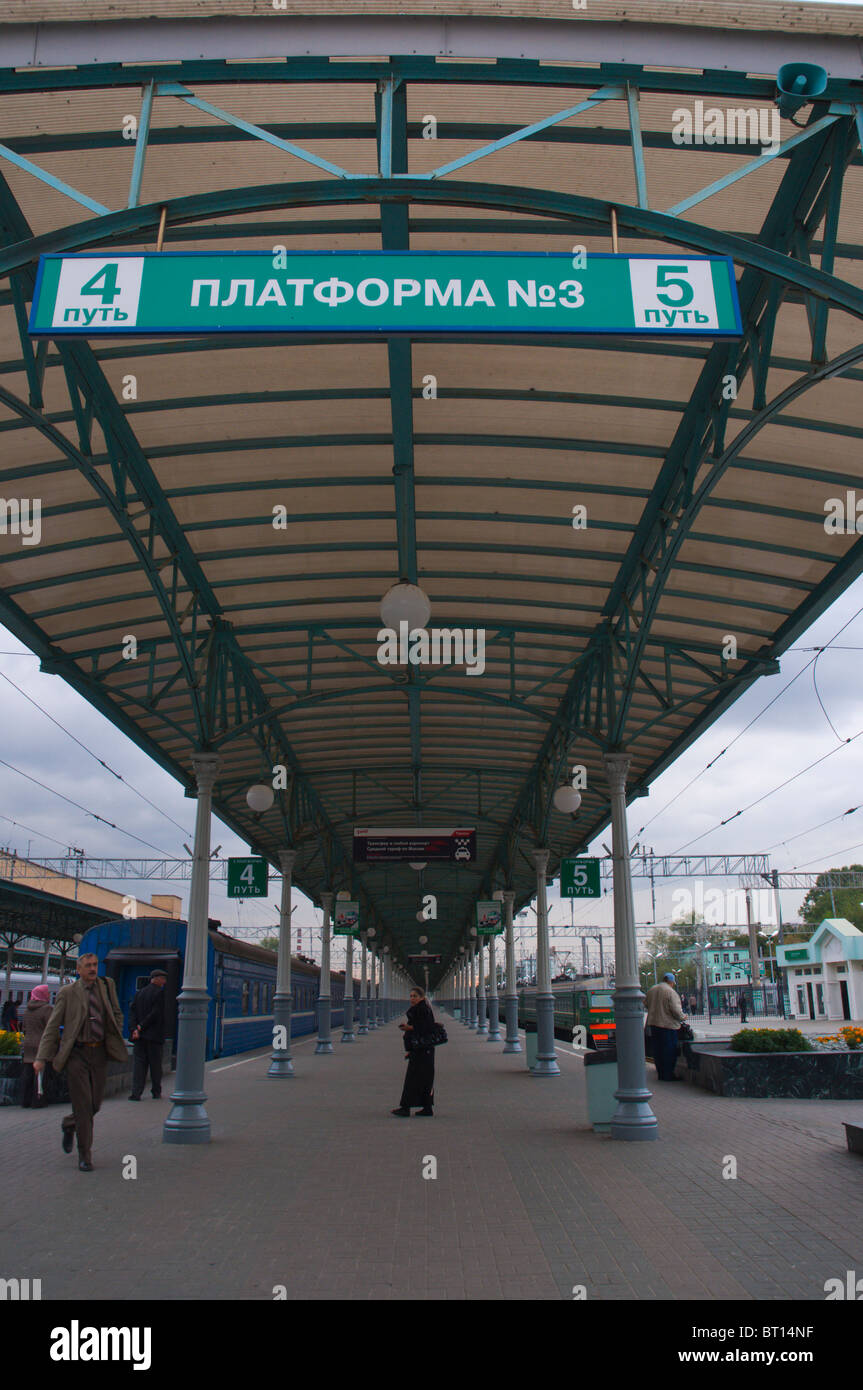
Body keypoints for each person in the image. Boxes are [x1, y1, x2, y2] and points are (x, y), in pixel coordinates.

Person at [34, 952, 127, 1171]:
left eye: (95, 965)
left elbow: (116, 1012)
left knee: (95, 1104)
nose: (93, 969)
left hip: (100, 1053)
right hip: (77, 1054)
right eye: (88, 966)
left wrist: (117, 1029)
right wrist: (41, 1057)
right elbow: (52, 1026)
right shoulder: (68, 993)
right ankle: (85, 1155)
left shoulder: (107, 985)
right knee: (84, 1106)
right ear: (79, 969)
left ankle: (69, 1124)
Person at [392, 986, 436, 1117]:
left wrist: (408, 1027)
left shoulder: (422, 1009)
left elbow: (425, 1028)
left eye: (415, 996)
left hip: (422, 1049)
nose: (412, 998)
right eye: (410, 996)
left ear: (422, 997)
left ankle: (405, 1108)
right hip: (422, 1049)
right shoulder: (422, 1009)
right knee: (424, 1079)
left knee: (412, 1079)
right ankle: (427, 1108)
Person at [128, 969, 168, 1100]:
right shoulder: (159, 993)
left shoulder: (140, 993)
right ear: (155, 978)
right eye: (163, 978)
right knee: (155, 1065)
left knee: (139, 1065)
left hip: (139, 1037)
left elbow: (132, 1012)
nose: (164, 982)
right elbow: (156, 1013)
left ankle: (136, 1093)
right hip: (153, 1036)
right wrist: (142, 1026)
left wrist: (134, 1028)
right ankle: (156, 1091)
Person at [645, 972, 687, 1082]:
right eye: (673, 983)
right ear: (671, 982)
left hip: (653, 1024)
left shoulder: (652, 990)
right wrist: (683, 1017)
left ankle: (661, 1073)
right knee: (669, 1050)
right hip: (668, 1026)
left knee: (657, 1050)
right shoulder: (670, 992)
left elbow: (645, 1003)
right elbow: (676, 1010)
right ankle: (668, 1075)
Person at [21, 984, 53, 1108]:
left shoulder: (27, 1009)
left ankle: (25, 1100)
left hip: (28, 1044)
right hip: (41, 1045)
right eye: (48, 992)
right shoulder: (47, 1009)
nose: (49, 995)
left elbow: (24, 1027)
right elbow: (51, 1027)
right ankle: (38, 1100)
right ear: (43, 994)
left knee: (28, 1073)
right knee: (40, 1074)